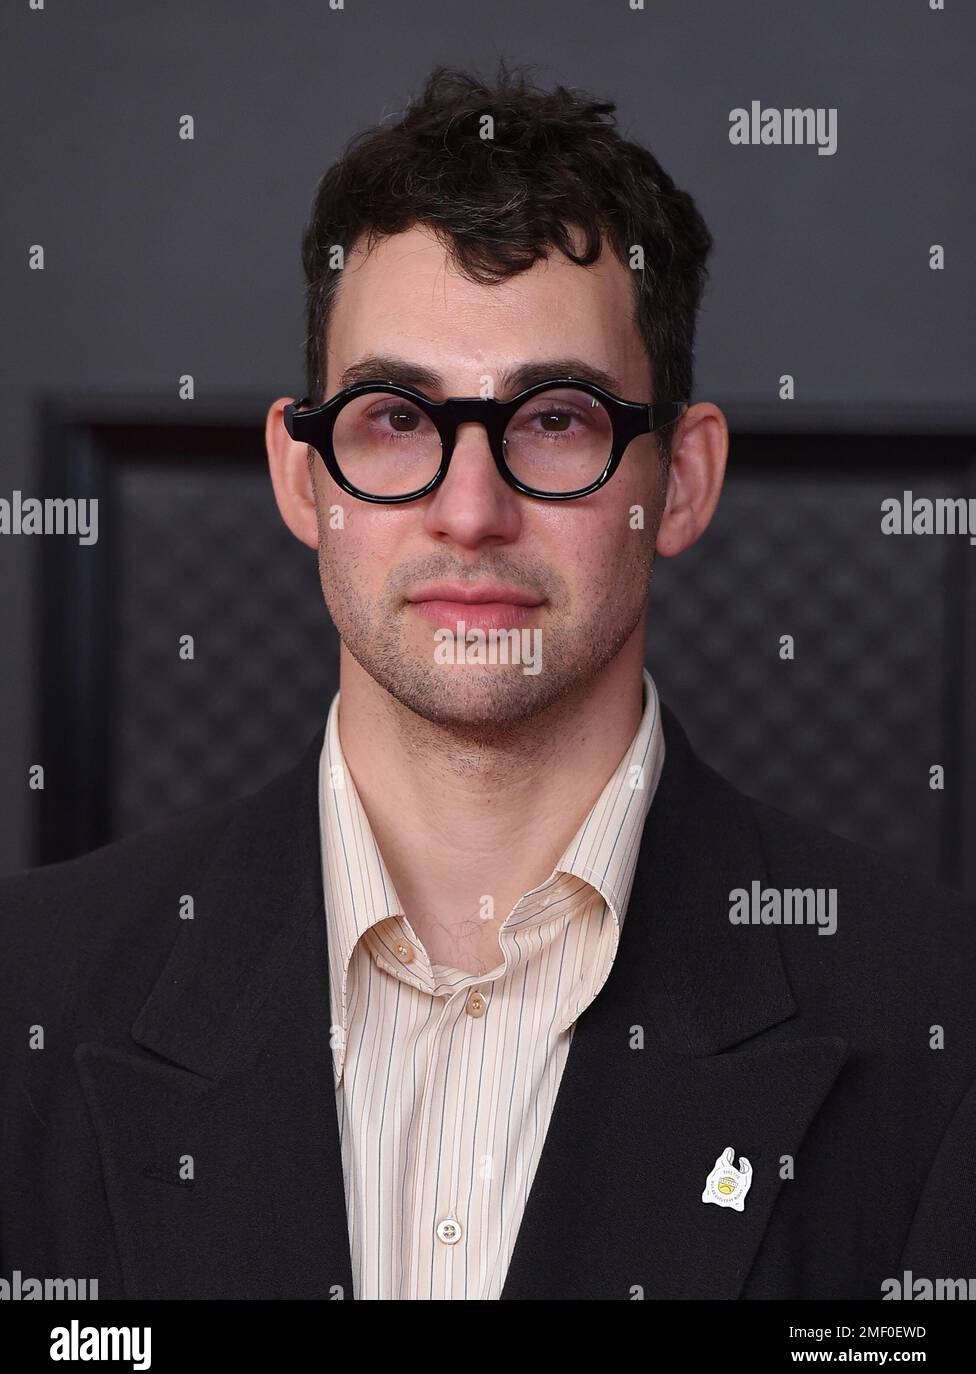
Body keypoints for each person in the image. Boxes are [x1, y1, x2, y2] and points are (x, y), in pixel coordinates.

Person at [2, 61, 975, 1302]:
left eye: (556, 418)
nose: (471, 510)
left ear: (679, 479)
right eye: (397, 417)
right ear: (305, 479)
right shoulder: (22, 991)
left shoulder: (942, 1033)